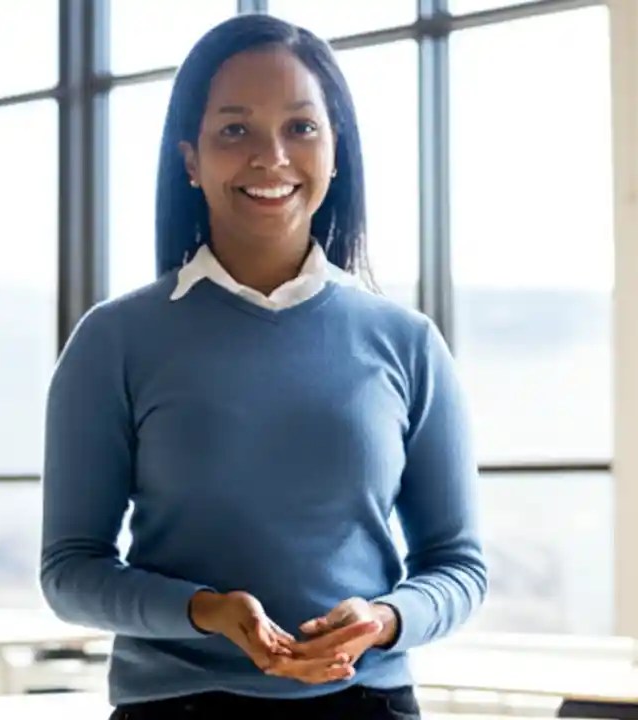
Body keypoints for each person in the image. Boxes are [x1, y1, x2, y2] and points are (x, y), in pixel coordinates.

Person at [41, 14, 486, 720]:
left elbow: (459, 566)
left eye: (301, 128)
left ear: (336, 151)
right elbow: (70, 572)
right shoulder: (115, 340)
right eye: (235, 130)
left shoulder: (407, 342)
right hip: (177, 707)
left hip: (366, 703)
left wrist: (386, 618)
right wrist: (205, 610)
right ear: (191, 160)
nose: (270, 156)